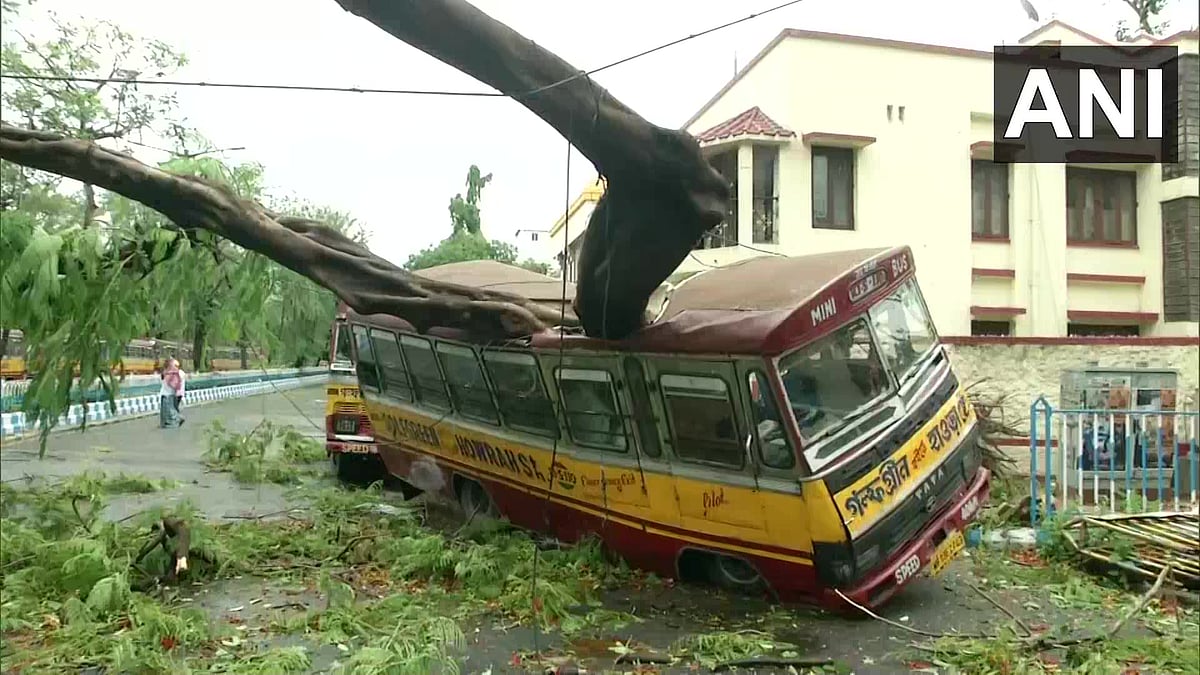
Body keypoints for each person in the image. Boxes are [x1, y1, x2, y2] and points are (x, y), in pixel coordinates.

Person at [160, 358, 185, 428]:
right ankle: (174, 420)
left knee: (168, 411)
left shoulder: (168, 373)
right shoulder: (178, 373)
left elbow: (167, 384)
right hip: (175, 394)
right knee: (173, 409)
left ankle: (176, 419)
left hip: (167, 395)